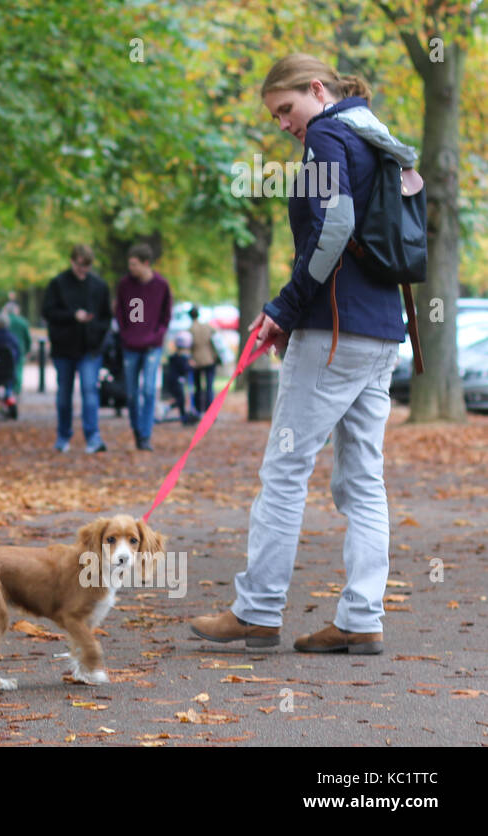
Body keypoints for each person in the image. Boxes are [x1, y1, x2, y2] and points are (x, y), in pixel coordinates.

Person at [191, 53, 412, 654]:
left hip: (332, 334)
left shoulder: (329, 135)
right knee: (364, 481)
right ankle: (362, 618)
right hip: (382, 334)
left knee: (284, 475)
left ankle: (257, 611)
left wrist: (286, 308)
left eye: (287, 109)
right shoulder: (379, 139)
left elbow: (335, 225)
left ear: (317, 90)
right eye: (278, 117)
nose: (286, 124)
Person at [43, 244, 112, 453]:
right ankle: (63, 436)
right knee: (64, 394)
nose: (83, 270)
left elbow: (105, 317)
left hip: (89, 349)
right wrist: (73, 316)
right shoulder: (57, 284)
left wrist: (95, 331)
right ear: (72, 261)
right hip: (64, 348)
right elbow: (48, 312)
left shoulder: (99, 286)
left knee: (90, 391)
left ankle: (93, 436)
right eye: (80, 265)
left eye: (87, 267)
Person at [114, 244, 172, 451]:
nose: (131, 268)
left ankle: (146, 434)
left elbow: (166, 315)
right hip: (130, 344)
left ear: (146, 263)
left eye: (134, 264)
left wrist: (157, 335)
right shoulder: (125, 285)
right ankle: (137, 429)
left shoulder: (161, 285)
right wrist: (126, 333)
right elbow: (121, 311)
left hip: (152, 346)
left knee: (148, 390)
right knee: (131, 392)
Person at [187, 306, 218, 417]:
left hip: (196, 361)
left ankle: (199, 410)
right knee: (209, 387)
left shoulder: (190, 329)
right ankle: (211, 412)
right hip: (210, 359)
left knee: (198, 387)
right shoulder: (207, 326)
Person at [163, 332, 196, 425]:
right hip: (176, 381)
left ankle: (183, 416)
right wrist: (191, 366)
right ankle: (170, 409)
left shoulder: (176, 357)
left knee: (180, 399)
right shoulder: (180, 358)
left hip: (174, 380)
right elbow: (184, 368)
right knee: (180, 399)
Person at [2, 302, 31, 395]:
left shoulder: (4, 320)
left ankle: (8, 388)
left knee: (5, 369)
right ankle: (17, 389)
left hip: (4, 349)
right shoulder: (22, 321)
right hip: (19, 348)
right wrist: (28, 350)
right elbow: (27, 338)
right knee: (18, 370)